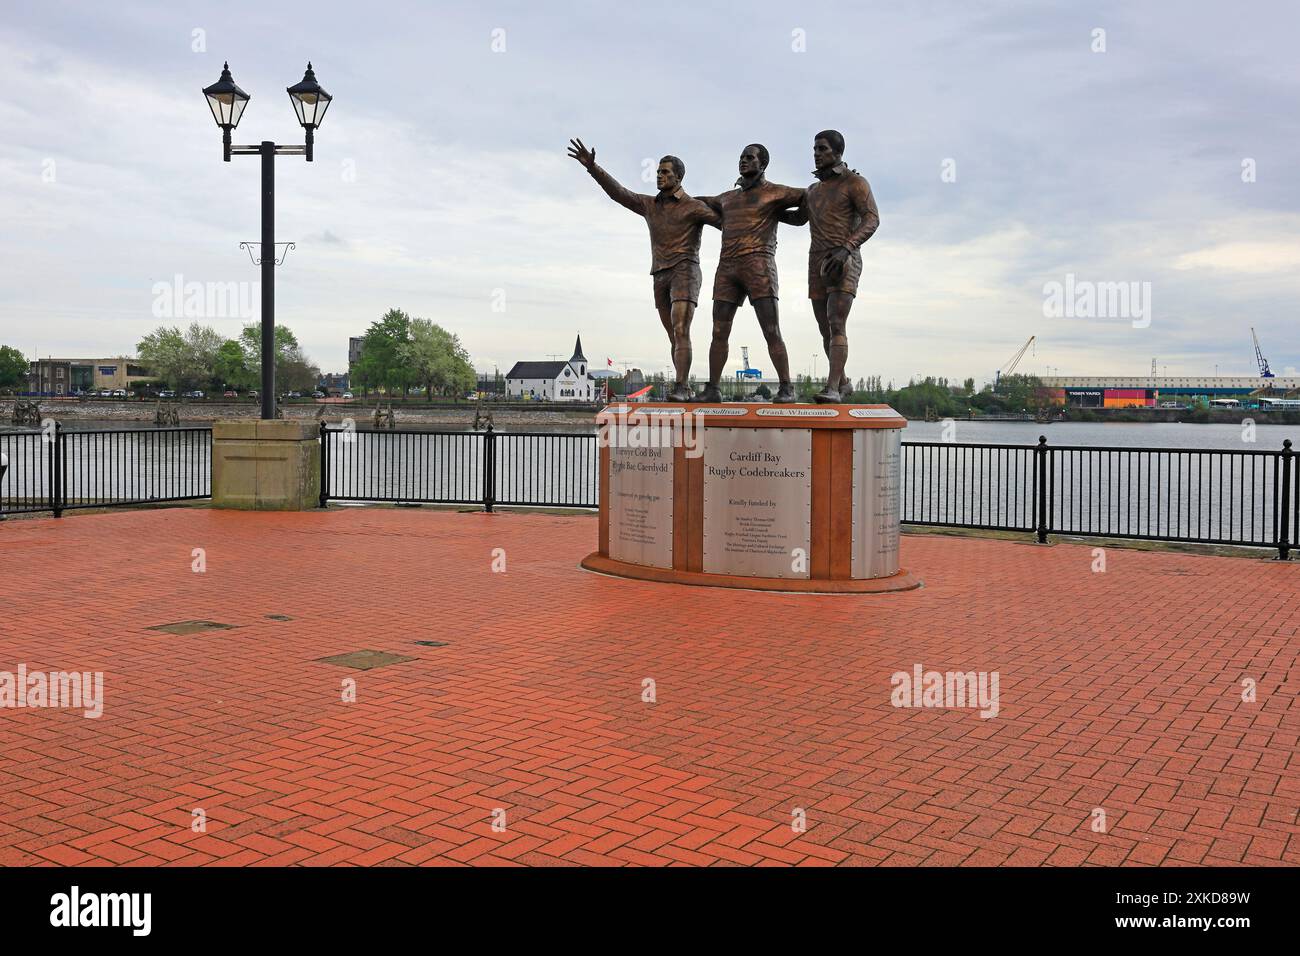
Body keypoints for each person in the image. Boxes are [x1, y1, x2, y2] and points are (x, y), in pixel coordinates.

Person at [568, 138, 720, 403]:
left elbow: (727, 224)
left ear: (679, 177)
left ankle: (681, 386)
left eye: (665, 172)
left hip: (685, 270)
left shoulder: (694, 207)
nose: (659, 176)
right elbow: (619, 194)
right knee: (673, 335)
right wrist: (593, 168)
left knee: (681, 327)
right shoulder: (650, 205)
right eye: (658, 171)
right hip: (660, 274)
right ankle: (684, 384)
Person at [694, 144, 804, 404]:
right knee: (718, 331)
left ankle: (786, 387)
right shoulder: (727, 198)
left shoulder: (776, 193)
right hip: (727, 267)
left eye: (749, 157)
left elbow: (812, 197)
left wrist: (841, 179)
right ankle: (713, 388)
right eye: (741, 157)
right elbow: (696, 201)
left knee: (770, 329)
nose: (743, 161)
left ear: (762, 164)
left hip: (759, 266)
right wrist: (674, 196)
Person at [779, 130, 879, 403]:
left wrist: (847, 247)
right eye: (815, 149)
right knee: (824, 328)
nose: (817, 153)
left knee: (836, 323)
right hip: (817, 262)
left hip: (844, 258)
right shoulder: (812, 191)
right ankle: (844, 383)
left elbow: (872, 220)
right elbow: (799, 218)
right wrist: (767, 211)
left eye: (822, 149)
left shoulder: (855, 182)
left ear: (837, 152)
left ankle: (832, 387)